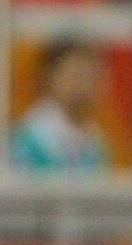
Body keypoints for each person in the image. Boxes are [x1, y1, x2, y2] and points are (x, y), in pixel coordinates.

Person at [11, 38, 112, 173]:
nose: (83, 85)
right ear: (50, 77)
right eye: (76, 74)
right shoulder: (28, 142)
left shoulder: (98, 143)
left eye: (91, 75)